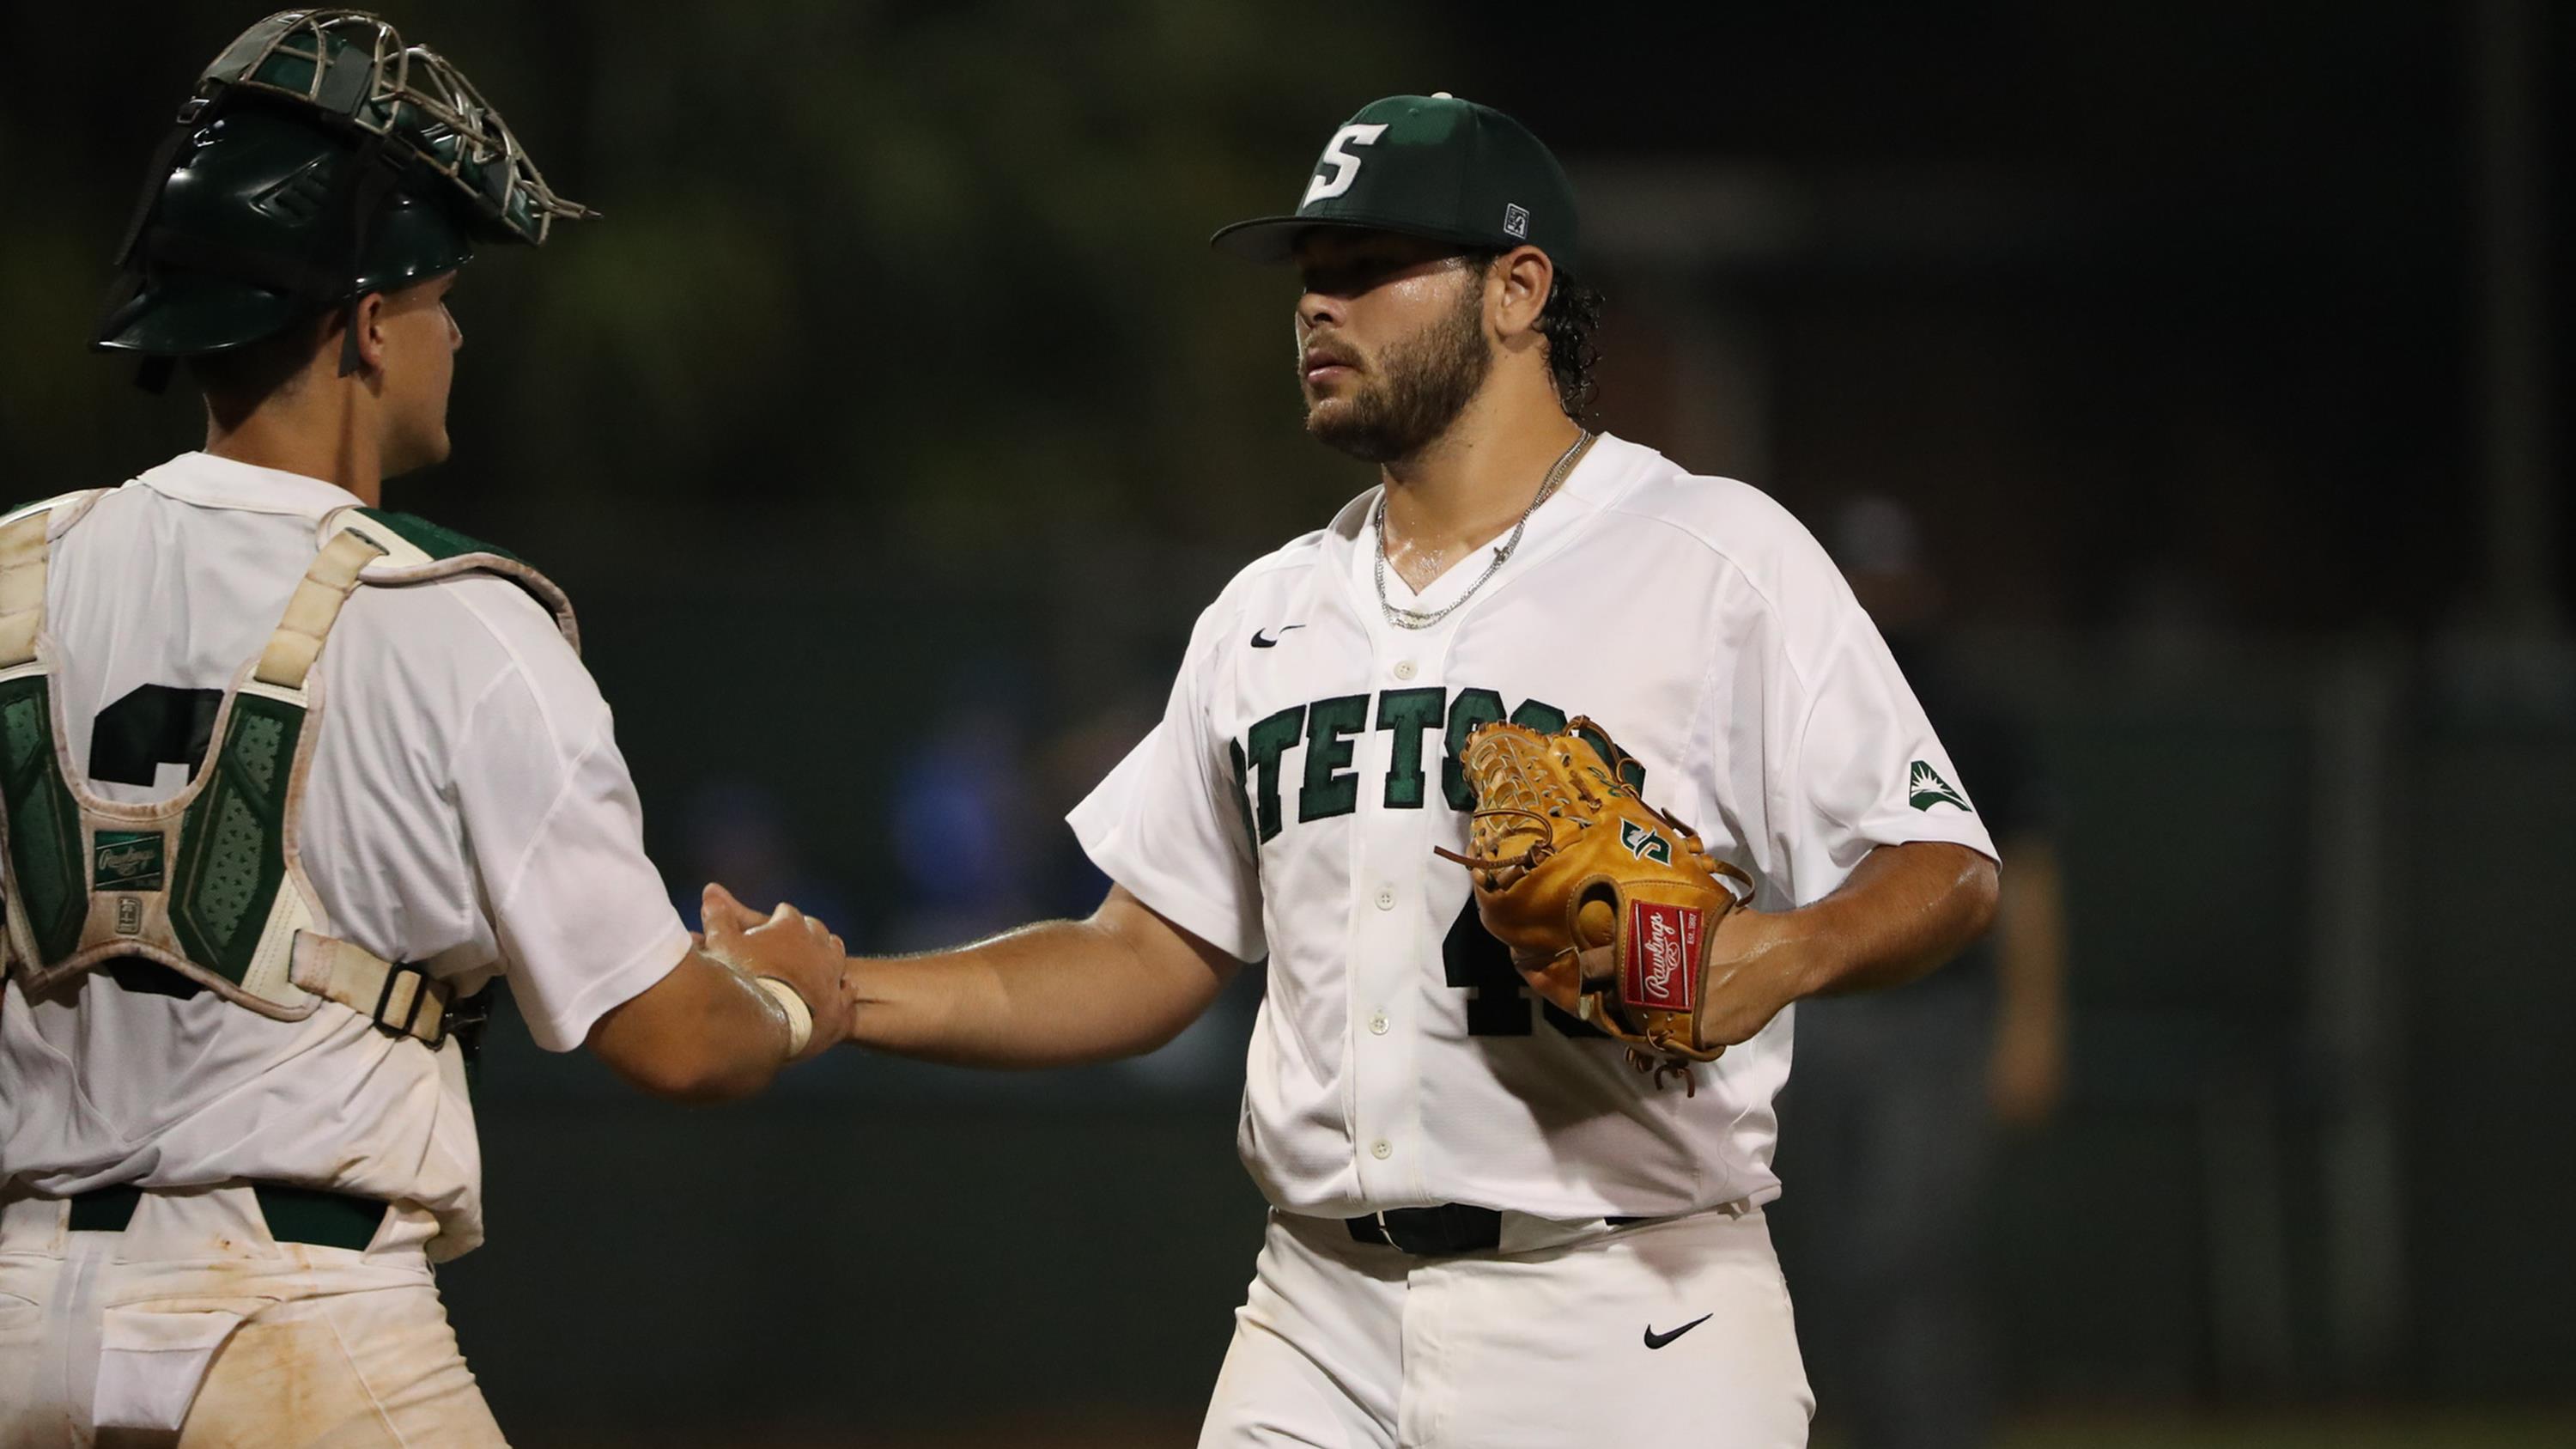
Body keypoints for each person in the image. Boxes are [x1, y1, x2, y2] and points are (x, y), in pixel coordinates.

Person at [749, 93, 1998, 1446]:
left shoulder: (1711, 553)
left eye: (1367, 265)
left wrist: (1785, 950)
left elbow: (1945, 860)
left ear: (1519, 289)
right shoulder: (1266, 613)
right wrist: (844, 994)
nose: (1316, 306)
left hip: (1629, 1307)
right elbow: (1144, 950)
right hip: (1314, 1313)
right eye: (1308, 274)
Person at [0, 14, 855, 1446]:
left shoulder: (19, 580)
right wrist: (784, 997)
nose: (452, 332)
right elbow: (674, 1044)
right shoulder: (455, 624)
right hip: (294, 1321)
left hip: (20, 1312)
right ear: (362, 322)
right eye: (441, 294)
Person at [1771, 496, 2072, 1449]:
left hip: (1931, 1022)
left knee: (1909, 1262)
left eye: (1891, 583)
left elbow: (2022, 875)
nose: (1879, 602)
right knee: (1792, 1262)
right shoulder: (1784, 695)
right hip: (1803, 1013)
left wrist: (2032, 1022)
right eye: (1862, 582)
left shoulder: (1970, 708)